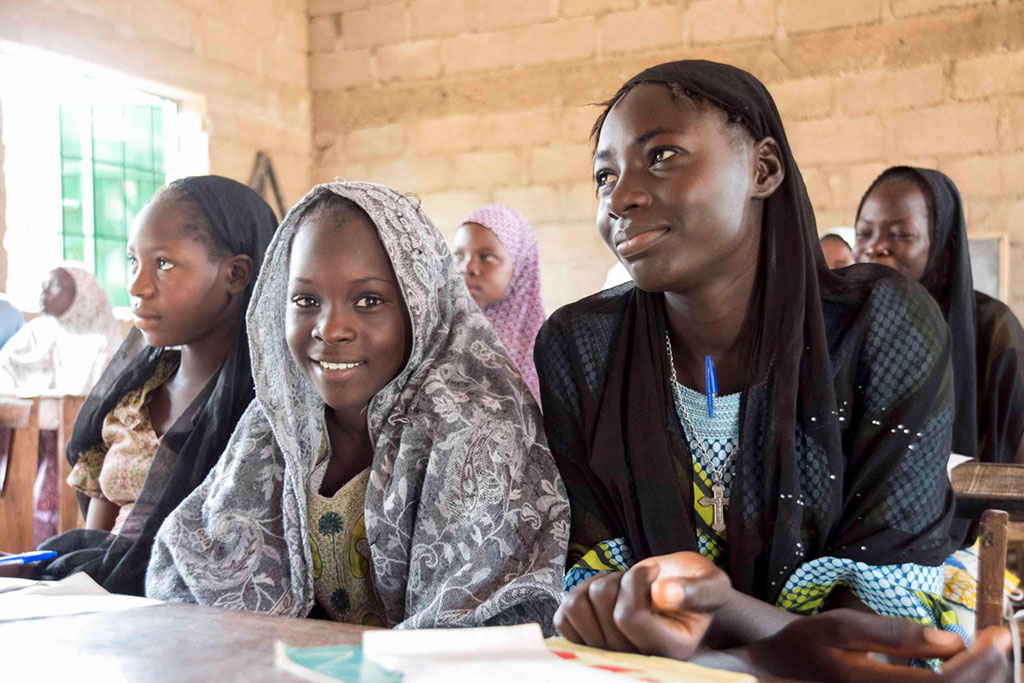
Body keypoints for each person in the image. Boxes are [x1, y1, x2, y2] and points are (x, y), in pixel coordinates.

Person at [536, 60, 1009, 680]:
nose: (621, 195)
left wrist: (724, 621)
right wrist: (759, 651)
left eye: (662, 156)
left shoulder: (880, 326)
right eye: (604, 175)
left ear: (762, 169)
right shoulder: (581, 346)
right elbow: (606, 607)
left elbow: (871, 629)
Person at [146, 182, 568, 630]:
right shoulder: (277, 423)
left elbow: (475, 635)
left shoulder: (476, 434)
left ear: (418, 306)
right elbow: (190, 570)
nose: (331, 328)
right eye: (305, 300)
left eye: (369, 301)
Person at [11, 176, 277, 596]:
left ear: (236, 274)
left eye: (164, 264)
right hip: (109, 605)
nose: (137, 286)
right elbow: (95, 550)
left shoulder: (264, 412)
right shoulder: (134, 398)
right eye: (133, 261)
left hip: (203, 616)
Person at [854, 166, 1024, 465]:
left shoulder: (993, 328)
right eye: (864, 233)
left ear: (942, 244)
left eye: (901, 234)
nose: (875, 247)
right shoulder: (849, 327)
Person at [452, 204, 546, 403]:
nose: (467, 268)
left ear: (521, 265)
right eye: (458, 255)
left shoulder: (545, 350)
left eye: (485, 257)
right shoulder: (444, 336)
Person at [0, 264, 121, 395]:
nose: (44, 291)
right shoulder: (37, 331)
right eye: (44, 285)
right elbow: (5, 367)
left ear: (81, 293)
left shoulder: (103, 344)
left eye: (55, 285)